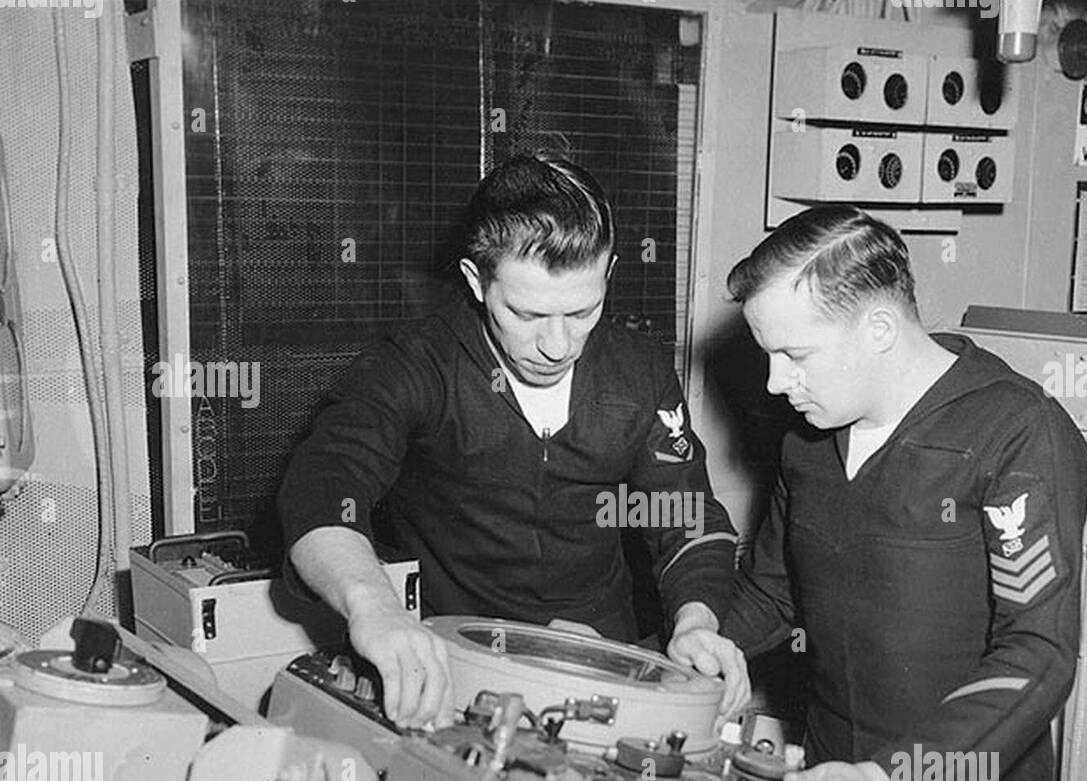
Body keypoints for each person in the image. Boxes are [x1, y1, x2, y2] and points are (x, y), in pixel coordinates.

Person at [278, 155, 748, 729]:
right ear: (478, 282)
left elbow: (685, 513)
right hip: (458, 673)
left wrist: (697, 623)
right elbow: (324, 487)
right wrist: (374, 607)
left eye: (582, 310)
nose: (558, 344)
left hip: (603, 670)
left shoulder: (639, 371)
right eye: (526, 313)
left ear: (609, 272)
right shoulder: (416, 365)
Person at [722, 205, 1087, 781]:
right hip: (829, 778)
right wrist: (705, 647)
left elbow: (1038, 652)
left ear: (881, 329)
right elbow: (774, 589)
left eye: (794, 356)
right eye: (767, 356)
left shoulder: (1017, 433)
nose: (776, 383)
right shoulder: (808, 437)